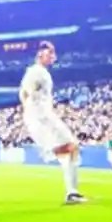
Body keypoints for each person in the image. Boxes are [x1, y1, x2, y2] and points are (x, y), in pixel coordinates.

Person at [19, 41, 87, 204]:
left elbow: (24, 93)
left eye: (53, 54)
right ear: (40, 55)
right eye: (50, 53)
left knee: (69, 150)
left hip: (44, 116)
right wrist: (31, 112)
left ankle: (72, 191)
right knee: (71, 147)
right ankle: (72, 192)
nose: (53, 57)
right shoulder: (35, 72)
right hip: (41, 118)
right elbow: (25, 92)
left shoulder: (41, 72)